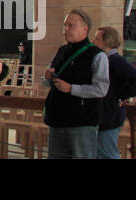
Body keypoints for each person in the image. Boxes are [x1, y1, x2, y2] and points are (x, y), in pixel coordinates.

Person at [42, 9, 108, 159]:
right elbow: (48, 81)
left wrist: (71, 89)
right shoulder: (62, 51)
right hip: (57, 119)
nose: (65, 29)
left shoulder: (97, 55)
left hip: (81, 122)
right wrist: (47, 77)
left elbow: (101, 89)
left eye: (70, 25)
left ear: (84, 29)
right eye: (65, 25)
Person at [92, 25, 136, 159]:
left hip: (110, 115)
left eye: (97, 39)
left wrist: (121, 96)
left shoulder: (115, 61)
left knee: (106, 153)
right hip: (102, 114)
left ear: (107, 41)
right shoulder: (104, 60)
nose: (94, 42)